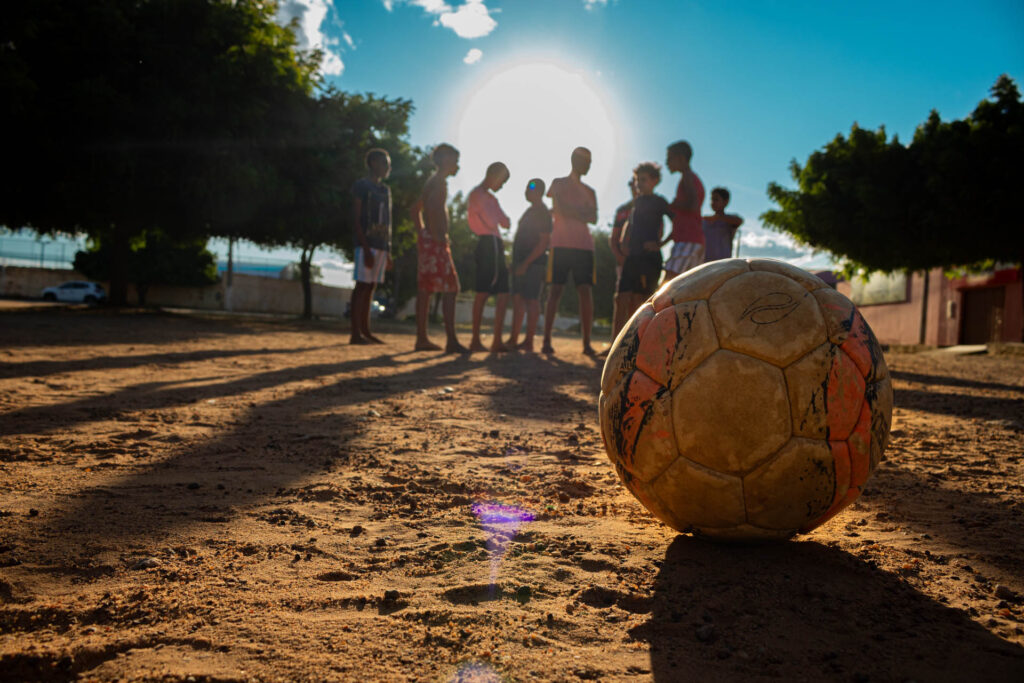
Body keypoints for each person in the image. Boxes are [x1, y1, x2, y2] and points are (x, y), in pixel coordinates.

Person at [542, 147, 598, 356]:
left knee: (585, 291)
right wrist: (580, 212)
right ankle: (546, 340)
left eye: (591, 162)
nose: (589, 165)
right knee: (555, 291)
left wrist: (570, 210)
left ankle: (586, 343)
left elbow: (593, 217)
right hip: (560, 244)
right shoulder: (558, 183)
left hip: (584, 247)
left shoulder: (590, 191)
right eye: (587, 161)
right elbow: (559, 209)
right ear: (575, 161)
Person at [412, 143, 467, 353]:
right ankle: (451, 340)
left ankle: (422, 338)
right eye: (455, 161)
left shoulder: (432, 182)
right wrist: (436, 235)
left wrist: (422, 234)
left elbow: (415, 209)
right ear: (445, 160)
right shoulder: (439, 183)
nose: (458, 166)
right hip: (436, 242)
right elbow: (433, 206)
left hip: (429, 241)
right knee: (452, 288)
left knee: (426, 289)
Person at [617, 162, 673, 324]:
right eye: (637, 180)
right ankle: (616, 344)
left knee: (643, 302)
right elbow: (630, 221)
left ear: (655, 181)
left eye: (643, 180)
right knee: (622, 298)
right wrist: (623, 242)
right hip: (632, 256)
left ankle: (640, 345)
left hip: (650, 258)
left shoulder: (660, 202)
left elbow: (679, 224)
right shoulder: (637, 201)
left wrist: (661, 244)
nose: (638, 184)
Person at [467, 162, 512, 353]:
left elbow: (506, 222)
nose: (501, 186)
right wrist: (495, 223)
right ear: (494, 175)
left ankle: (496, 340)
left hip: (497, 244)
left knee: (503, 292)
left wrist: (497, 222)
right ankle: (475, 339)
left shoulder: (492, 199)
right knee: (483, 291)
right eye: (501, 182)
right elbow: (492, 222)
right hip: (487, 244)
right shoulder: (476, 194)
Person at [349, 148, 392, 345]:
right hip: (366, 243)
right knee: (361, 285)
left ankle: (366, 331)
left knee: (371, 286)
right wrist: (365, 247)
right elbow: (356, 218)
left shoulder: (385, 190)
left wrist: (388, 249)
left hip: (381, 244)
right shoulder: (361, 186)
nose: (387, 168)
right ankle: (355, 333)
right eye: (385, 163)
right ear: (374, 163)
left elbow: (388, 220)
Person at [508, 178, 552, 353]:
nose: (526, 191)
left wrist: (526, 264)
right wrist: (515, 263)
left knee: (532, 299)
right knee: (518, 299)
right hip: (521, 263)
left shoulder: (543, 212)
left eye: (530, 188)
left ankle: (528, 341)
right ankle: (513, 339)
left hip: (534, 265)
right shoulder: (528, 211)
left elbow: (543, 243)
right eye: (527, 187)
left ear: (539, 191)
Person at [663, 140, 705, 280]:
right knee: (687, 288)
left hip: (688, 240)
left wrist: (672, 205)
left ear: (681, 158)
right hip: (691, 240)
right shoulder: (688, 178)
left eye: (669, 158)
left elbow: (693, 205)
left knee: (668, 283)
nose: (666, 162)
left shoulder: (688, 176)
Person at [609, 178, 638, 339]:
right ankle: (615, 343)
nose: (636, 188)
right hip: (624, 262)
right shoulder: (622, 210)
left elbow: (658, 234)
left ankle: (634, 343)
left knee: (638, 301)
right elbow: (614, 238)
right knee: (621, 299)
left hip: (642, 262)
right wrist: (619, 257)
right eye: (633, 185)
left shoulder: (651, 207)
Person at [702, 187, 744, 262]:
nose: (713, 202)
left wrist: (718, 217)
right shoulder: (705, 221)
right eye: (712, 199)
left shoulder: (729, 220)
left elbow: (739, 221)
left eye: (716, 199)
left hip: (723, 263)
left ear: (726, 202)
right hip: (705, 262)